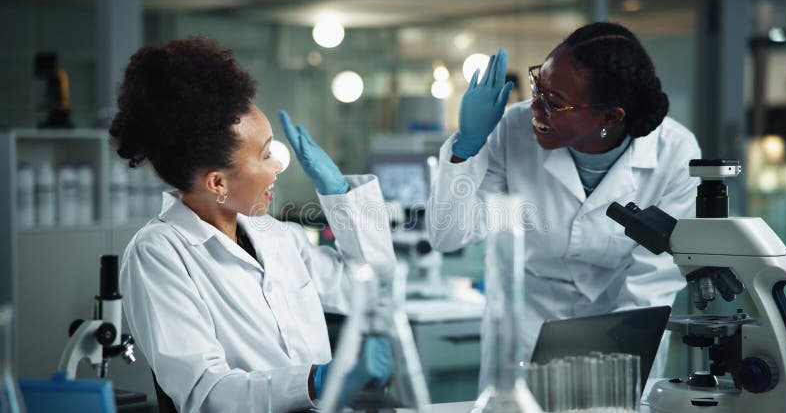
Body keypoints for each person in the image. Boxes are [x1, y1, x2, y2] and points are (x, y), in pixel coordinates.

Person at [111, 37, 395, 412]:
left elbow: (374, 287)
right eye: (265, 155)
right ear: (218, 183)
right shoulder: (159, 254)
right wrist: (315, 381)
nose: (278, 166)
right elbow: (207, 394)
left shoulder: (276, 236)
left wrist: (341, 193)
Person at [427, 22, 701, 387]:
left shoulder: (676, 153)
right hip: (524, 324)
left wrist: (611, 366)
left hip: (624, 328)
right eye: (539, 86)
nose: (535, 108)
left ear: (610, 117)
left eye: (554, 102)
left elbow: (651, 282)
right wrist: (465, 149)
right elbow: (448, 236)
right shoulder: (513, 130)